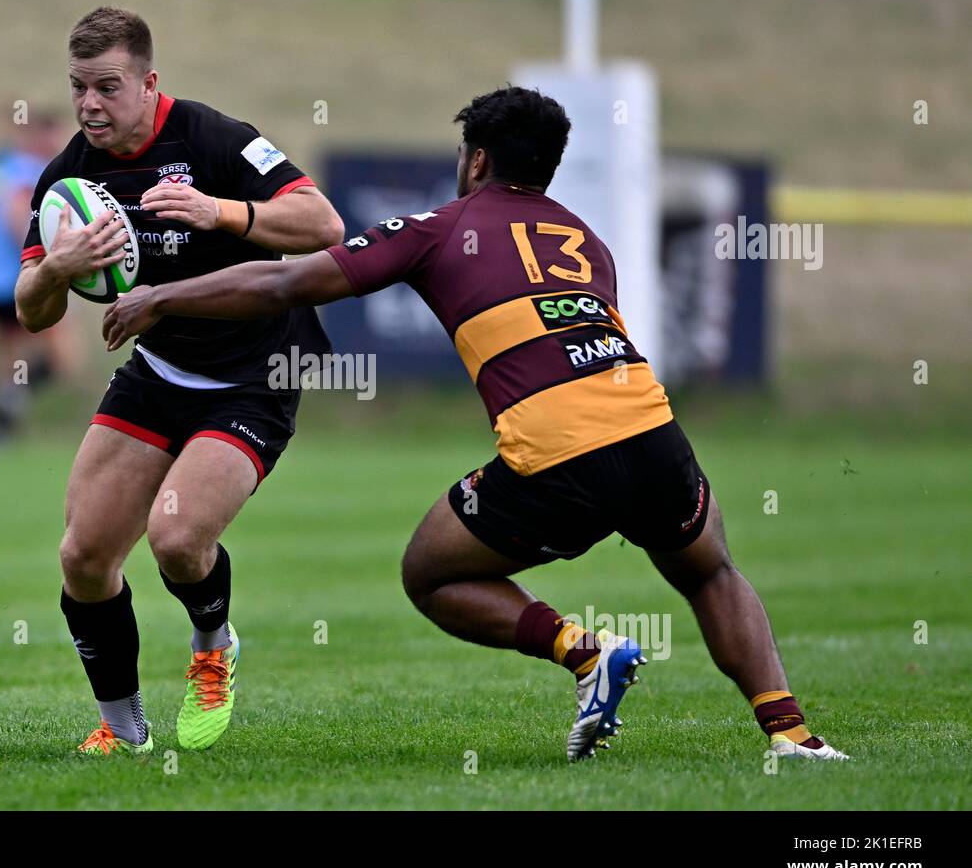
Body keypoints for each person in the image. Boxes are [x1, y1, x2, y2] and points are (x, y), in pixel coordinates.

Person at [102, 86, 849, 763]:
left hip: (558, 454)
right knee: (708, 568)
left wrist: (162, 300)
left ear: (478, 158)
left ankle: (584, 651)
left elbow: (287, 278)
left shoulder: (436, 227)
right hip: (653, 431)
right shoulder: (588, 240)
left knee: (430, 573)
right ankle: (792, 734)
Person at [15, 7, 344, 756]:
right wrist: (58, 270)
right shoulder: (69, 175)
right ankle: (126, 732)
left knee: (175, 539)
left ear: (148, 81)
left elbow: (323, 226)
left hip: (254, 377)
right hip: (159, 370)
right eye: (77, 88)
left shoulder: (212, 138)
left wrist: (218, 211)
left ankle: (213, 644)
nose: (90, 104)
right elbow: (31, 309)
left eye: (107, 86)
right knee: (84, 556)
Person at [0, 111, 79, 443]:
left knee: (13, 361)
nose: (59, 143)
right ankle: (1, 417)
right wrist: (52, 263)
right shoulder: (30, 171)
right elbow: (16, 218)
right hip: (19, 281)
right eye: (54, 135)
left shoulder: (7, 168)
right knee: (63, 359)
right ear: (39, 137)